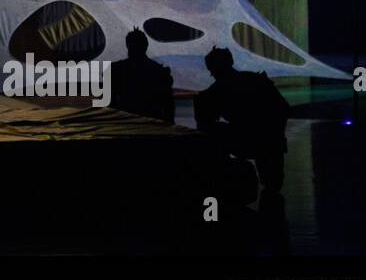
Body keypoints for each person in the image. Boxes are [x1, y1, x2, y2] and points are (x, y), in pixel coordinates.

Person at [194, 46, 289, 195]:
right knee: (273, 186)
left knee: (272, 184)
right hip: (269, 139)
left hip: (256, 139)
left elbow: (205, 124)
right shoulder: (256, 81)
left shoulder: (214, 92)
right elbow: (282, 108)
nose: (211, 73)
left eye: (211, 69)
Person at [109, 28, 174, 122]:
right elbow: (168, 106)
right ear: (146, 46)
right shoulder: (159, 72)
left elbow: (108, 104)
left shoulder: (116, 70)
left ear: (127, 46)